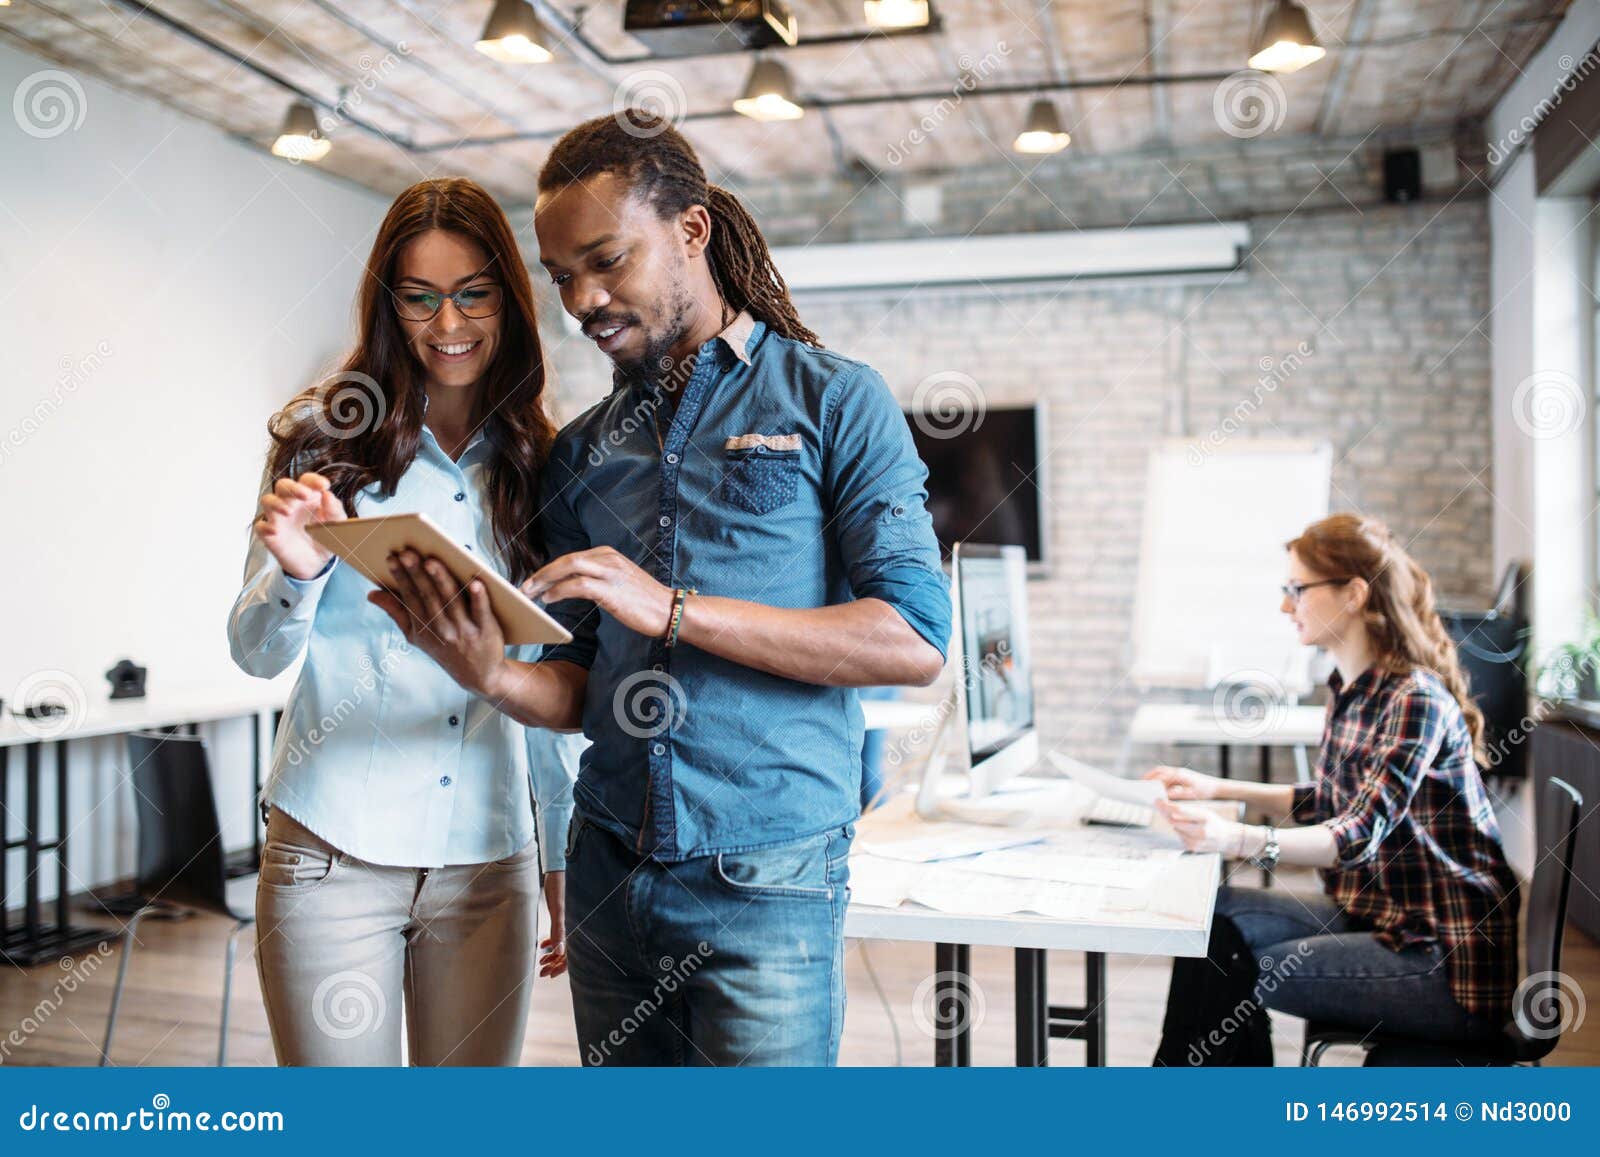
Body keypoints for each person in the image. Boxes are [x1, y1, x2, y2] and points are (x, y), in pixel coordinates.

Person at [369, 110, 952, 1066]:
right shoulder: (579, 454)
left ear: (692, 231)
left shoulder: (836, 400)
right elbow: (575, 685)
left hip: (766, 882)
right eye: (561, 276)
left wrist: (672, 609)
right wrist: (488, 672)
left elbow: (913, 638)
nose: (583, 300)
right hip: (608, 877)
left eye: (606, 261)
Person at [228, 178, 579, 1066]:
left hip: (488, 865)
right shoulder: (323, 446)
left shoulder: (542, 464)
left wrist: (561, 852)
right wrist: (300, 573)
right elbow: (256, 654)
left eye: (473, 293)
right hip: (330, 856)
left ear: (509, 299)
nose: (446, 322)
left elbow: (543, 678)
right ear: (389, 305)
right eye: (419, 297)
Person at [1146, 513, 1520, 1064]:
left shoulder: (1413, 699)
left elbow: (1356, 832)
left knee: (1235, 968)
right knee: (1211, 920)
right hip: (1382, 917)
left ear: (1354, 594)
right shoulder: (1351, 687)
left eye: (1297, 589)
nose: (1285, 606)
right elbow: (1327, 799)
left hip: (1444, 962)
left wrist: (1236, 838)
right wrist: (1212, 786)